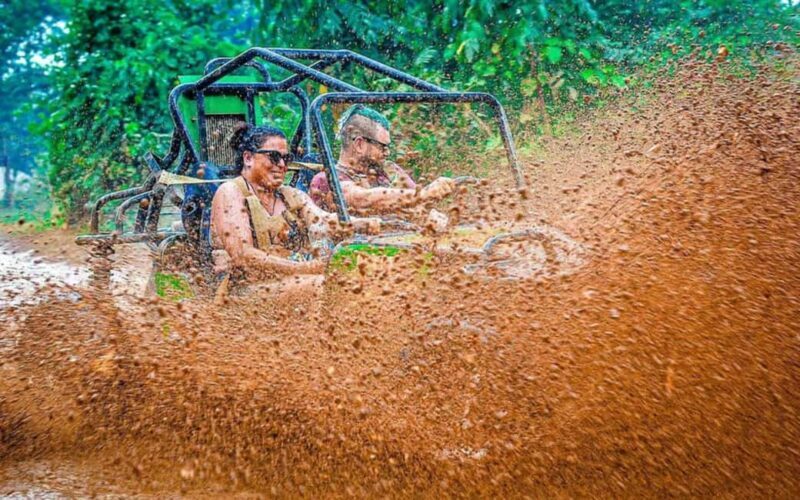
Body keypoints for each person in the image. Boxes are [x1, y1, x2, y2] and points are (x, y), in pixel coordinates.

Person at [210, 123, 378, 280]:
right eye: (274, 157)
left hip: (289, 282)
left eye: (286, 158)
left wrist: (365, 224)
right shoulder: (231, 192)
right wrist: (305, 269)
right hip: (246, 291)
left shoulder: (290, 196)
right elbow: (242, 256)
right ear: (248, 158)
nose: (282, 165)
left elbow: (324, 221)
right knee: (324, 286)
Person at [309, 105, 456, 213]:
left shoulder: (388, 170)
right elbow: (361, 198)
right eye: (382, 146)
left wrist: (431, 215)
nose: (387, 153)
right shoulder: (326, 179)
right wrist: (424, 194)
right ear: (359, 144)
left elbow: (420, 204)